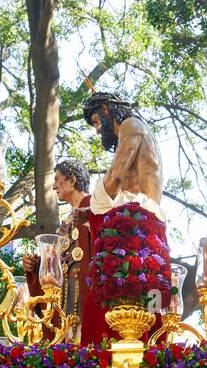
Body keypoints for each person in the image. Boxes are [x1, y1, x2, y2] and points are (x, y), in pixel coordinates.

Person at [83, 89, 170, 339]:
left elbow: (116, 175)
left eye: (97, 122)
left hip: (133, 229)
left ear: (106, 110)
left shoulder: (131, 125)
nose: (98, 130)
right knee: (153, 302)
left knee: (111, 302)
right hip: (151, 232)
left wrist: (96, 201)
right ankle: (153, 350)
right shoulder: (141, 130)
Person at [22, 159, 96, 344]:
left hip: (88, 301)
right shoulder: (66, 224)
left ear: (71, 181)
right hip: (67, 303)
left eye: (58, 179)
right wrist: (37, 266)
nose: (54, 186)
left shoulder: (95, 209)